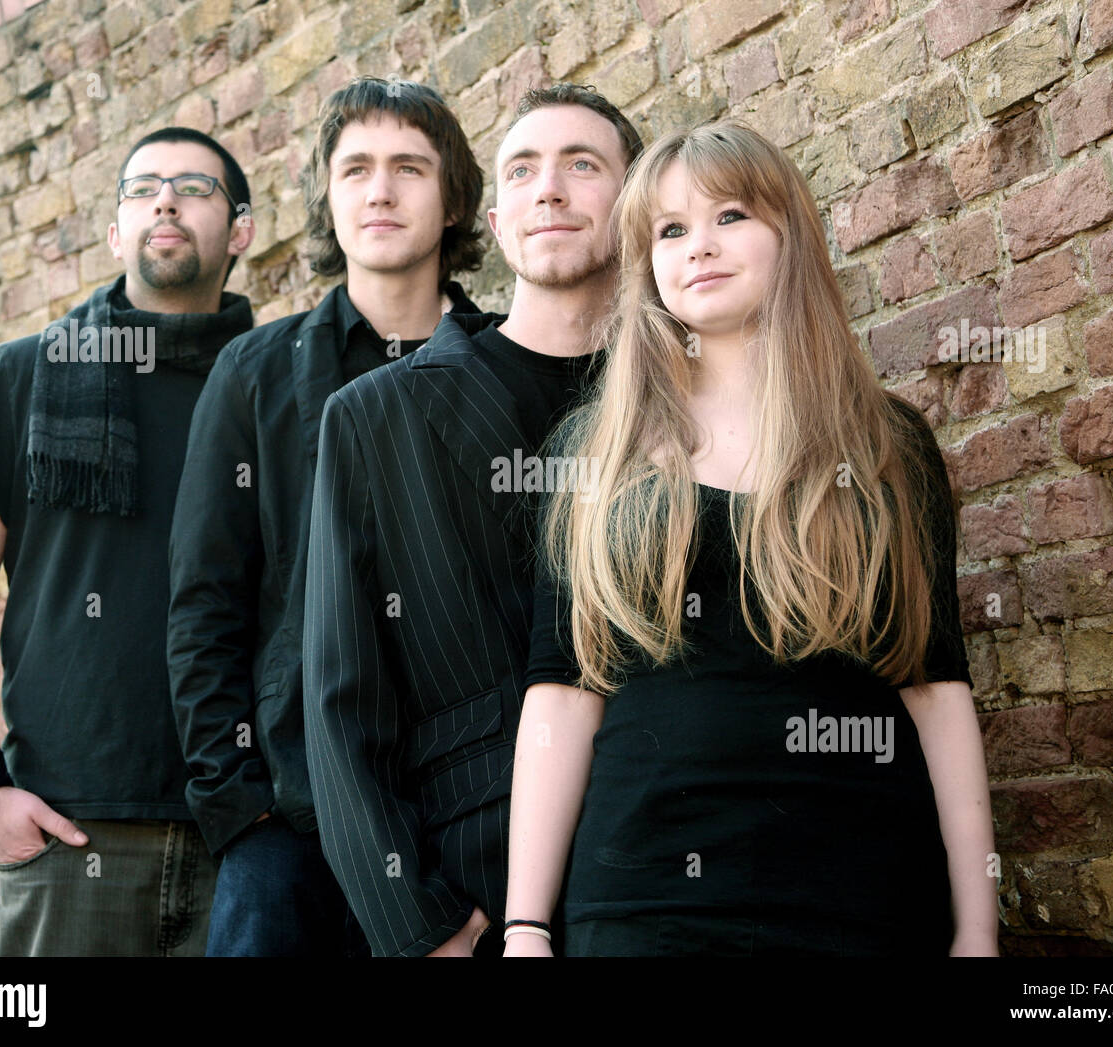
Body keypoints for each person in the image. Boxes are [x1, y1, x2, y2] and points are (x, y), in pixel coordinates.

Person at [504, 120, 1000, 958]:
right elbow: (562, 694)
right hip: (641, 902)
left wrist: (979, 931)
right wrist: (525, 927)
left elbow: (935, 688)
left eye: (729, 216)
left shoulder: (886, 443)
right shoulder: (593, 452)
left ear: (789, 236)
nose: (699, 246)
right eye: (670, 230)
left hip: (862, 899)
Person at [302, 84, 643, 956]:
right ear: (495, 220)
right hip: (477, 886)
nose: (551, 189)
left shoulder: (689, 396)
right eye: (524, 169)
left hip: (674, 849)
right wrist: (418, 924)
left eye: (582, 164)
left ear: (637, 201)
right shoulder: (375, 415)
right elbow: (341, 701)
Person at [167, 77, 484, 957]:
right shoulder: (254, 372)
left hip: (466, 813)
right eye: (356, 170)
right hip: (290, 818)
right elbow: (205, 601)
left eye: (408, 168)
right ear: (329, 198)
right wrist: (239, 805)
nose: (379, 190)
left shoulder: (501, 362)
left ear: (453, 199)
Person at [0, 127, 256, 956]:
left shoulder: (275, 383)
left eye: (194, 187)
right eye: (142, 189)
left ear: (241, 230)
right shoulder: (22, 375)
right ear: (115, 233)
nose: (166, 200)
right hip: (67, 835)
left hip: (247, 835)